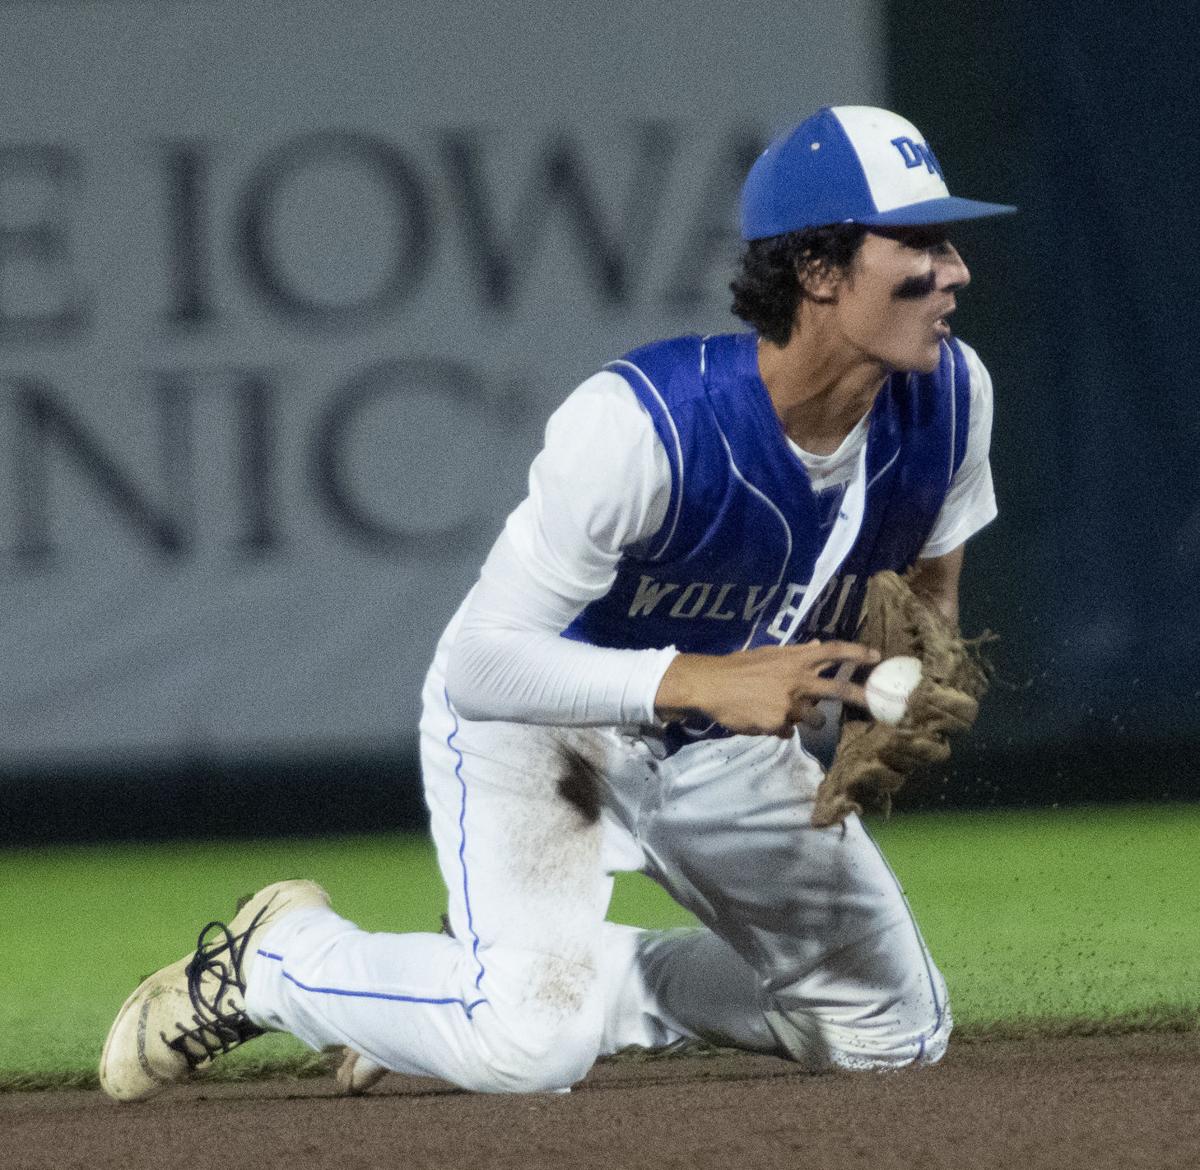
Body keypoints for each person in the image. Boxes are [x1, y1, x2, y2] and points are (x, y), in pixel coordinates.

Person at [100, 105, 1014, 1101]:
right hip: (547, 728)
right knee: (530, 1053)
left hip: (723, 743)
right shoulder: (643, 427)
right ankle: (277, 960)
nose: (954, 269)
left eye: (948, 239)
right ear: (820, 271)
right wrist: (704, 681)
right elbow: (485, 664)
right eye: (918, 243)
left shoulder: (953, 400)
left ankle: (507, 992)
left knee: (892, 1033)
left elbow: (927, 593)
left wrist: (913, 683)